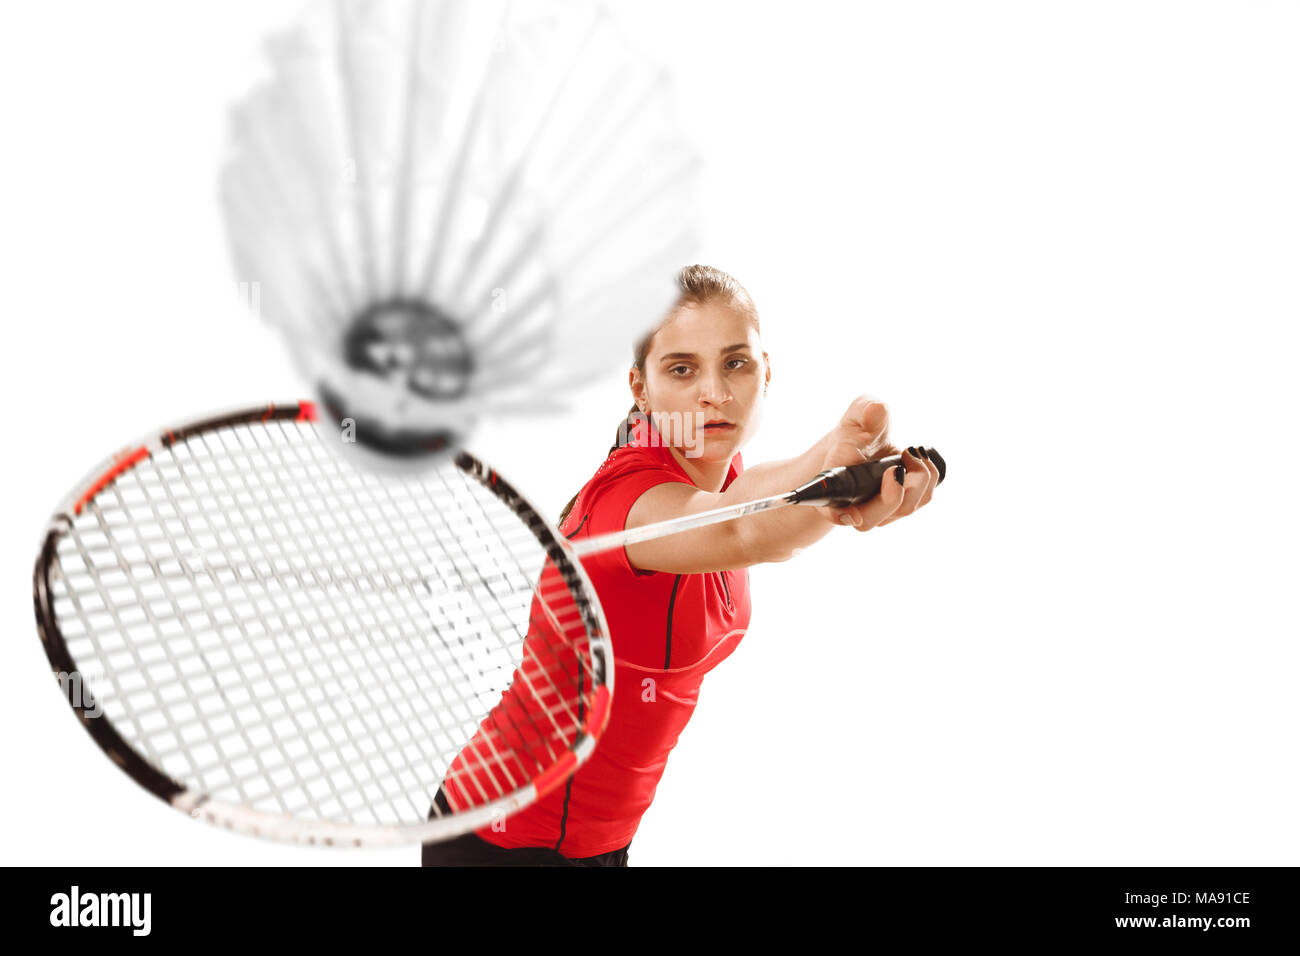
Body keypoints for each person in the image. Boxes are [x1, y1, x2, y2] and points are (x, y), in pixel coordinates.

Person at [421, 264, 939, 865]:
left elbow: (759, 515)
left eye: (736, 364)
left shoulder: (719, 475)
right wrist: (830, 458)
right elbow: (742, 527)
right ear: (640, 388)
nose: (714, 393)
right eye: (682, 369)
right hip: (505, 839)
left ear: (767, 371)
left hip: (601, 840)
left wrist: (844, 493)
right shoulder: (628, 508)